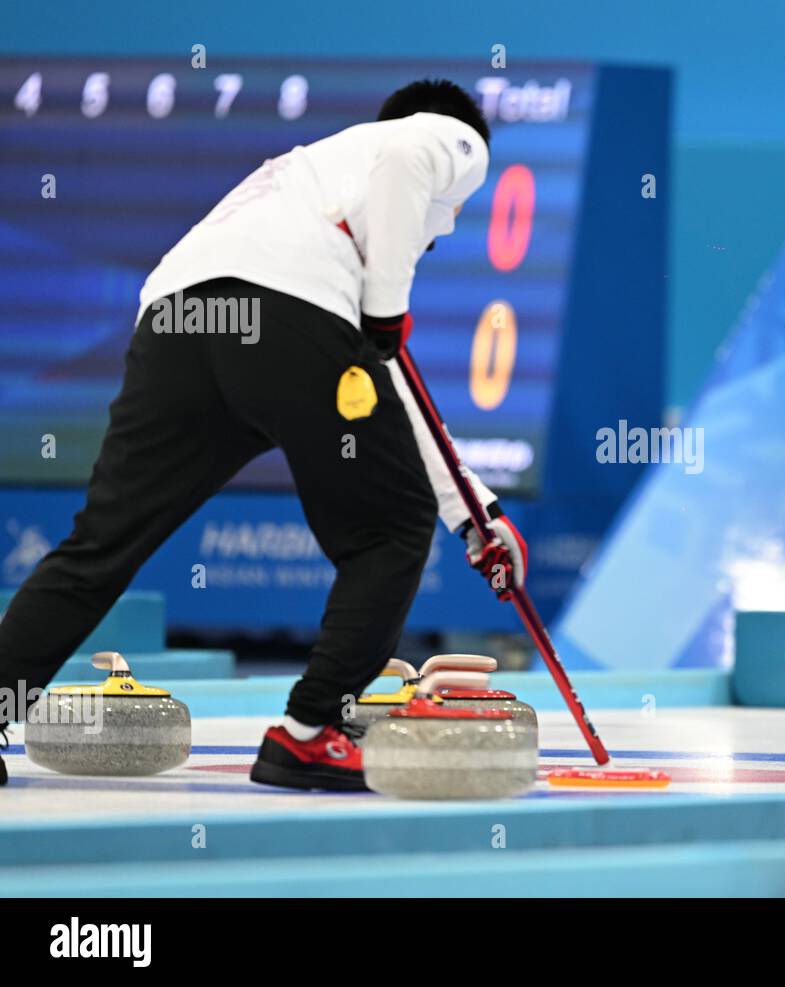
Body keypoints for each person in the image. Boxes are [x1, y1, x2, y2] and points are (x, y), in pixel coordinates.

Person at [0, 79, 526, 791]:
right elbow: (408, 165)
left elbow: (389, 378)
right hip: (282, 319)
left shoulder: (307, 181)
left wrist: (475, 512)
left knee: (101, 545)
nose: (448, 227)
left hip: (177, 323)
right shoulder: (442, 139)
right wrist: (387, 306)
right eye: (455, 213)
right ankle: (311, 730)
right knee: (390, 531)